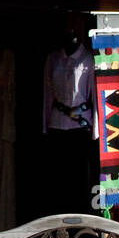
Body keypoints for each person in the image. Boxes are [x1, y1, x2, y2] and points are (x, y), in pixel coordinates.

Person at [42, 19, 98, 215]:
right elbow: (47, 94)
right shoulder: (53, 59)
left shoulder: (88, 61)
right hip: (57, 124)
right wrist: (45, 124)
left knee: (79, 177)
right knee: (59, 178)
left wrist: (96, 130)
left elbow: (94, 94)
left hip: (80, 127)